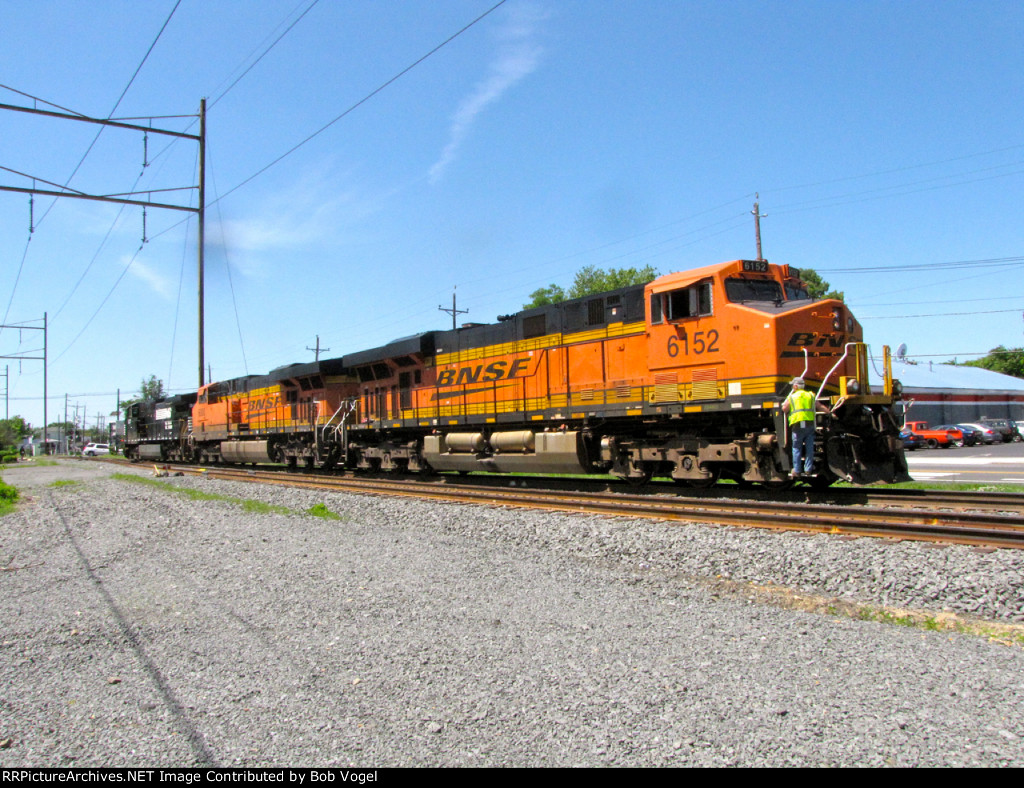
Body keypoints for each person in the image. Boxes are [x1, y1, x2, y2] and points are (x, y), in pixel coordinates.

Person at [782, 377, 825, 478]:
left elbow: (784, 409)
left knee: (797, 448)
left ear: (796, 386)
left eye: (793, 385)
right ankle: (808, 470)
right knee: (809, 447)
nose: (792, 387)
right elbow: (820, 406)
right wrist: (830, 413)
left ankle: (797, 470)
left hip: (797, 425)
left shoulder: (792, 397)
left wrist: (783, 407)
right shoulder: (810, 395)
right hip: (809, 425)